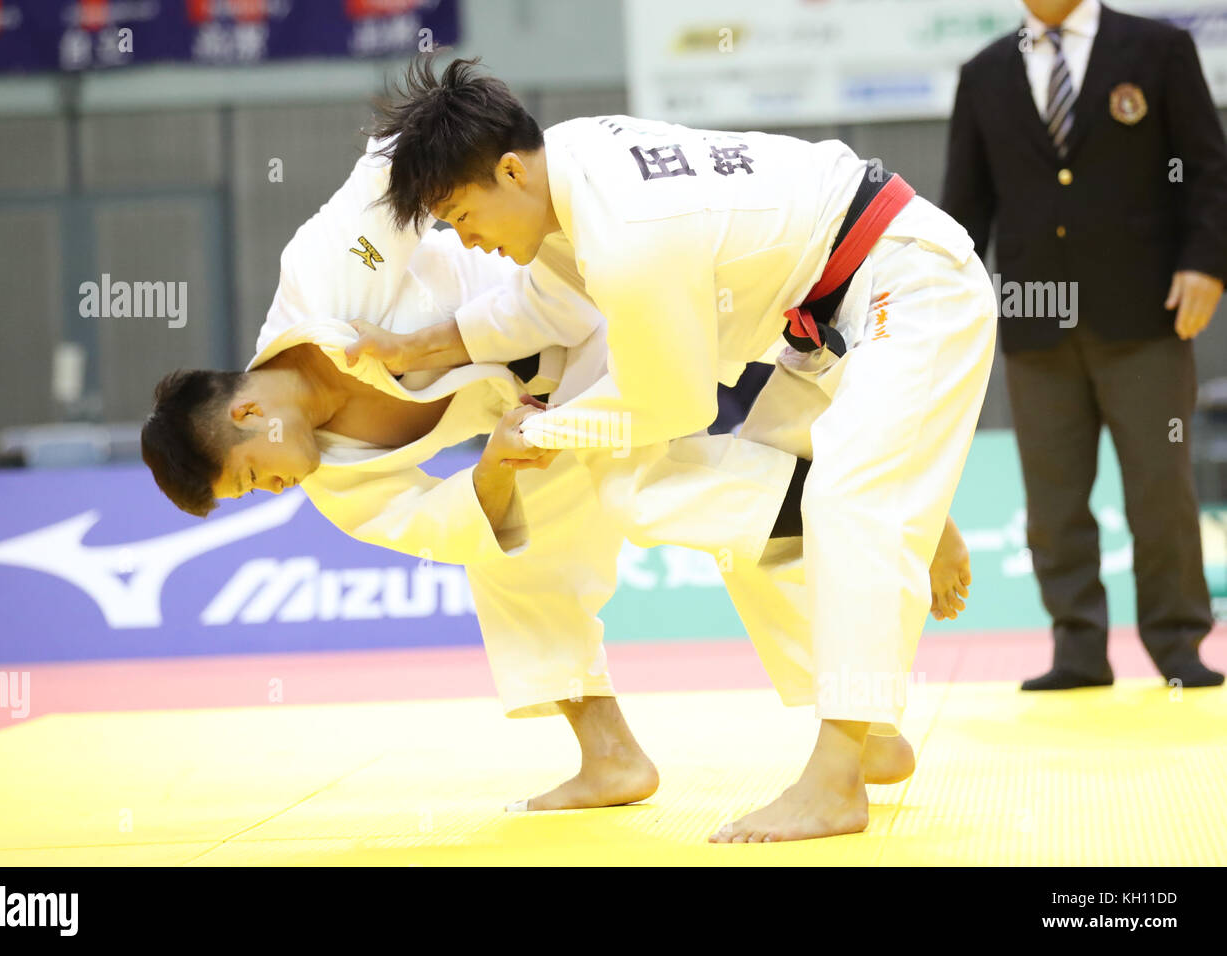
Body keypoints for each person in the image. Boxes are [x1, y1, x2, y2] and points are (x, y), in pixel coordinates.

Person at [142, 143, 974, 814]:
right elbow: (436, 523)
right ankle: (618, 754)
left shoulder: (321, 275)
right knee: (508, 557)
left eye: (252, 478)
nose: (275, 492)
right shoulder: (334, 480)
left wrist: (455, 181)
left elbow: (391, 163)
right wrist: (495, 472)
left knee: (641, 490)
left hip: (583, 304)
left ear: (249, 417)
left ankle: (876, 496)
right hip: (534, 408)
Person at [370, 56, 996, 841]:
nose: (468, 240)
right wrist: (415, 345)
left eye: (464, 216)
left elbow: (671, 402)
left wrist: (537, 430)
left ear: (507, 170)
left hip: (910, 278)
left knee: (842, 502)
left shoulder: (629, 229)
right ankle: (873, 725)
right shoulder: (565, 170)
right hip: (823, 323)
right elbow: (546, 302)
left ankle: (836, 780)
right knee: (756, 527)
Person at [942, 0, 1226, 690]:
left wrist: (1208, 263)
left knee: (1160, 489)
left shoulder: (1157, 50)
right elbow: (963, 211)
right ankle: (1076, 647)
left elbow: (1208, 168)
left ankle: (1178, 642)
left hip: (1146, 316)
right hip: (1034, 323)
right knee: (1053, 500)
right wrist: (944, 304)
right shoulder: (984, 73)